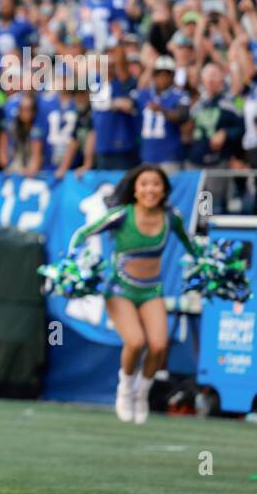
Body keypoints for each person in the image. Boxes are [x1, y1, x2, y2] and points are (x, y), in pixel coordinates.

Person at [64, 165, 198, 424]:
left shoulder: (172, 218)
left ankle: (141, 393)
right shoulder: (121, 216)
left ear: (164, 190)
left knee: (158, 345)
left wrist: (205, 266)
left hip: (152, 291)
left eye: (156, 184)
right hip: (119, 290)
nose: (150, 189)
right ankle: (124, 390)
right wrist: (72, 264)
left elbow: (190, 245)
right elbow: (82, 234)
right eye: (144, 184)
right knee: (135, 342)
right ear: (135, 190)